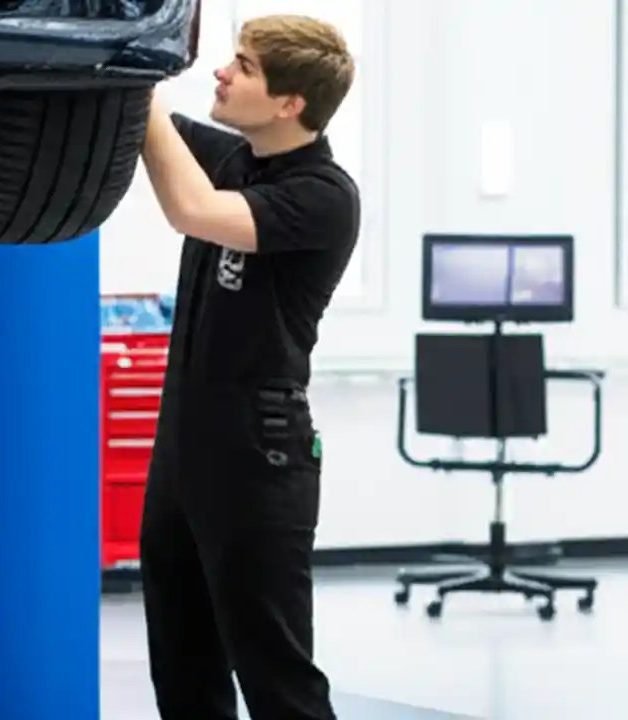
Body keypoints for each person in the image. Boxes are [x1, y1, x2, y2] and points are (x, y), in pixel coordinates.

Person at [136, 13, 360, 720]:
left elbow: (191, 210)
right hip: (183, 451)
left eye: (245, 66)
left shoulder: (324, 197)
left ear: (291, 103)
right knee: (182, 671)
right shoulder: (237, 159)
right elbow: (147, 132)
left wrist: (129, 69)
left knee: (277, 679)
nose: (222, 73)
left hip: (258, 456)